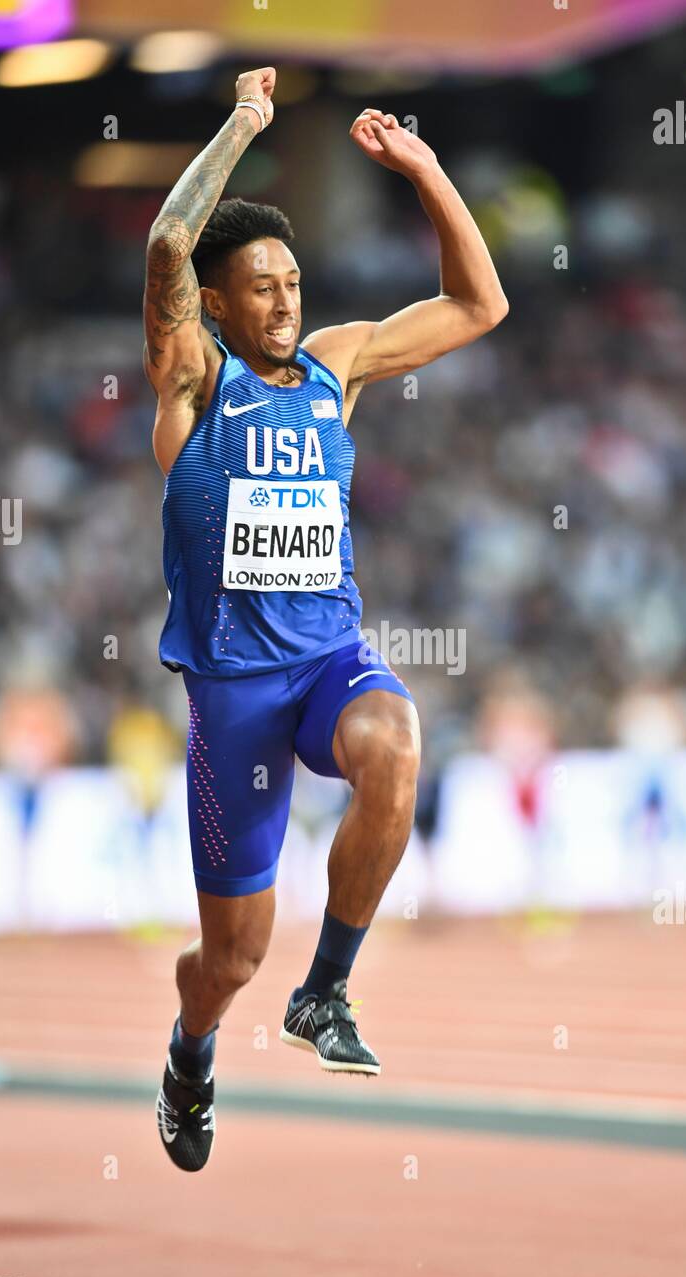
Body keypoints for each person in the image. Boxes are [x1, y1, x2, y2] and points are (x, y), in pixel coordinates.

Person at [143, 66, 508, 1171]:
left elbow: (477, 305)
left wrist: (426, 171)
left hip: (327, 664)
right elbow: (168, 245)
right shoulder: (192, 381)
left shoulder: (333, 367)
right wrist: (249, 120)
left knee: (396, 744)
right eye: (259, 286)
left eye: (293, 281)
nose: (285, 300)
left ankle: (330, 989)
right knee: (228, 958)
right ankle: (190, 1052)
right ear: (215, 305)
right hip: (235, 700)